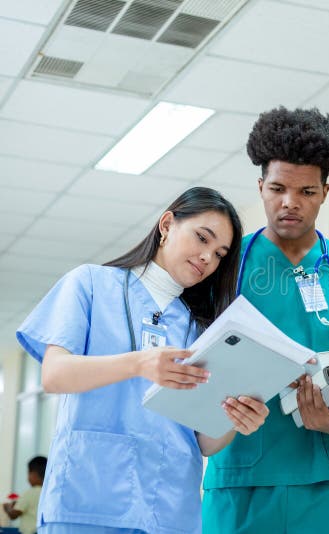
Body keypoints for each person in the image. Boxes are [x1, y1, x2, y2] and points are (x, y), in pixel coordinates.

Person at [15, 187, 269, 534]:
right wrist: (137, 364)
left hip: (169, 510)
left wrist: (236, 421)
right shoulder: (90, 284)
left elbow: (203, 442)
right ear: (167, 225)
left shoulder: (202, 329)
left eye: (220, 253)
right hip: (87, 499)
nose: (208, 257)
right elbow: (55, 375)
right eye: (202, 238)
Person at [202, 107, 329, 533]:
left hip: (323, 478)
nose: (290, 202)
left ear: (324, 191)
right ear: (260, 187)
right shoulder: (224, 266)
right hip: (240, 478)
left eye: (306, 191)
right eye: (277, 188)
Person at [2, 456, 46, 534]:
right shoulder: (47, 493)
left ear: (33, 474)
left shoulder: (30, 493)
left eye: (28, 473)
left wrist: (7, 507)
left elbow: (13, 515)